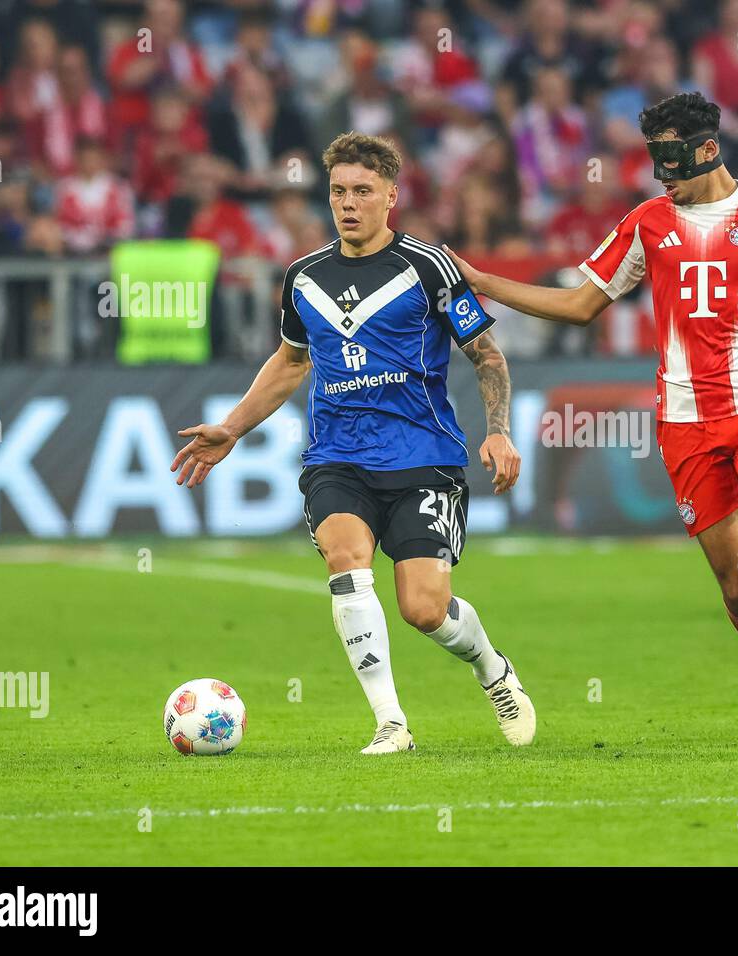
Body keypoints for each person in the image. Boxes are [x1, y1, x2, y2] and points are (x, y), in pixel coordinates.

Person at [444, 92, 738, 743]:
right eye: (656, 164)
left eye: (673, 163)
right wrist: (486, 282)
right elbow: (580, 305)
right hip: (686, 424)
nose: (665, 179)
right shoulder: (647, 223)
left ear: (708, 150)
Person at [170, 132, 535, 755]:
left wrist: (499, 431)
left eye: (363, 191)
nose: (348, 203)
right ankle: (391, 724)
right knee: (347, 561)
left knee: (424, 609)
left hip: (424, 458)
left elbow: (486, 353)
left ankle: (493, 670)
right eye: (338, 191)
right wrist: (231, 426)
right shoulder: (302, 278)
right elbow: (290, 363)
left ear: (391, 196)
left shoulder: (429, 268)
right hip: (337, 458)